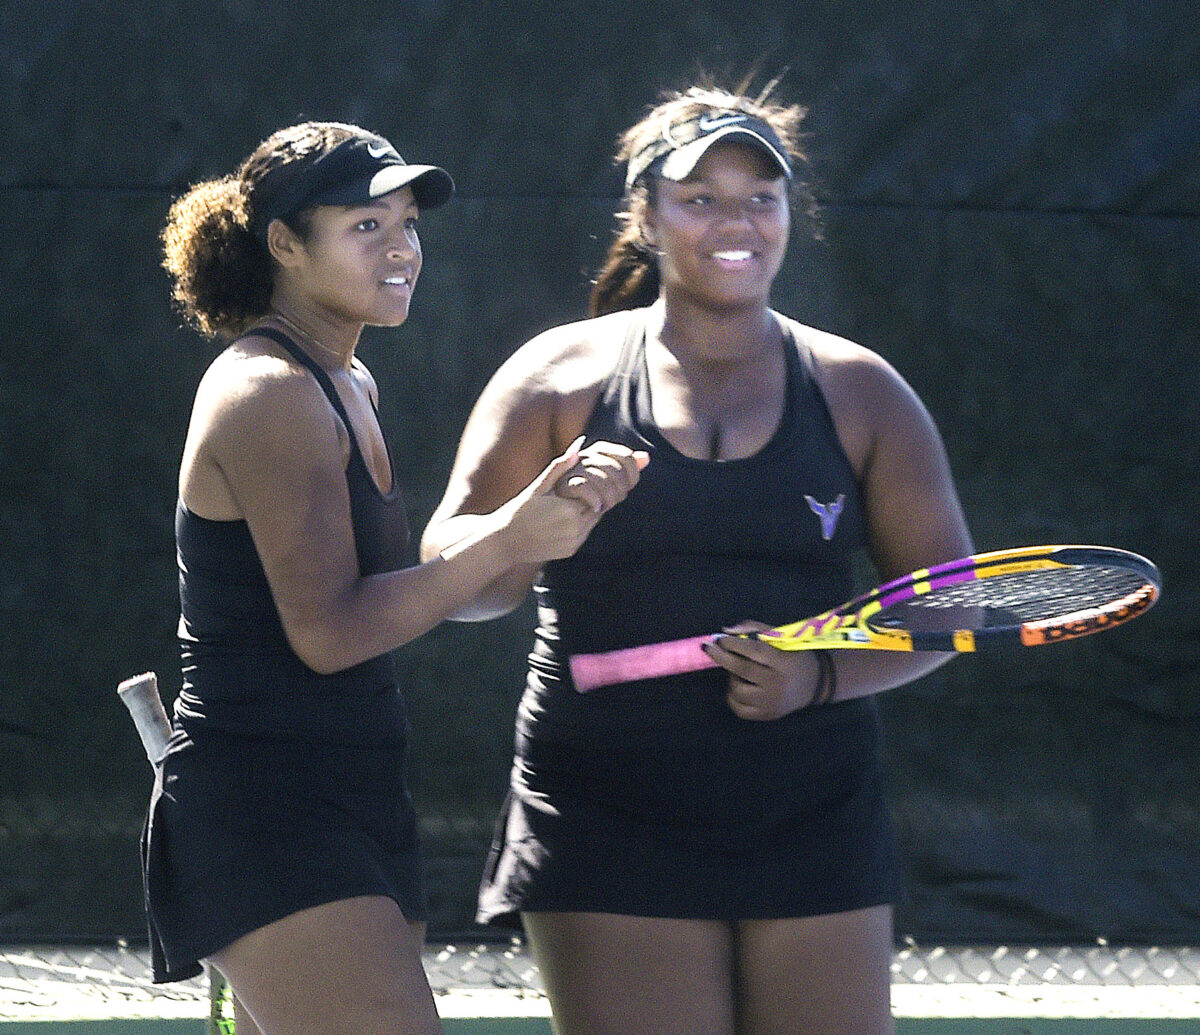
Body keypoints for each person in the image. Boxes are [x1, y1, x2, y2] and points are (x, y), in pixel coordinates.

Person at [420, 82, 974, 1035]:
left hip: (815, 818)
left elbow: (949, 610)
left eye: (762, 197)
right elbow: (457, 582)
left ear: (791, 215)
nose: (738, 222)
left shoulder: (862, 392)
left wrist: (823, 677)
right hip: (604, 812)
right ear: (644, 217)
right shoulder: (556, 377)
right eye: (700, 197)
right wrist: (524, 525)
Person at [145, 120, 643, 1035]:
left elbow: (389, 590)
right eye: (366, 226)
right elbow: (329, 632)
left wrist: (528, 522)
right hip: (266, 808)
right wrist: (504, 541)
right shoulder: (269, 393)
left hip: (354, 790)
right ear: (284, 244)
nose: (402, 248)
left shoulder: (349, 382)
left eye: (407, 222)